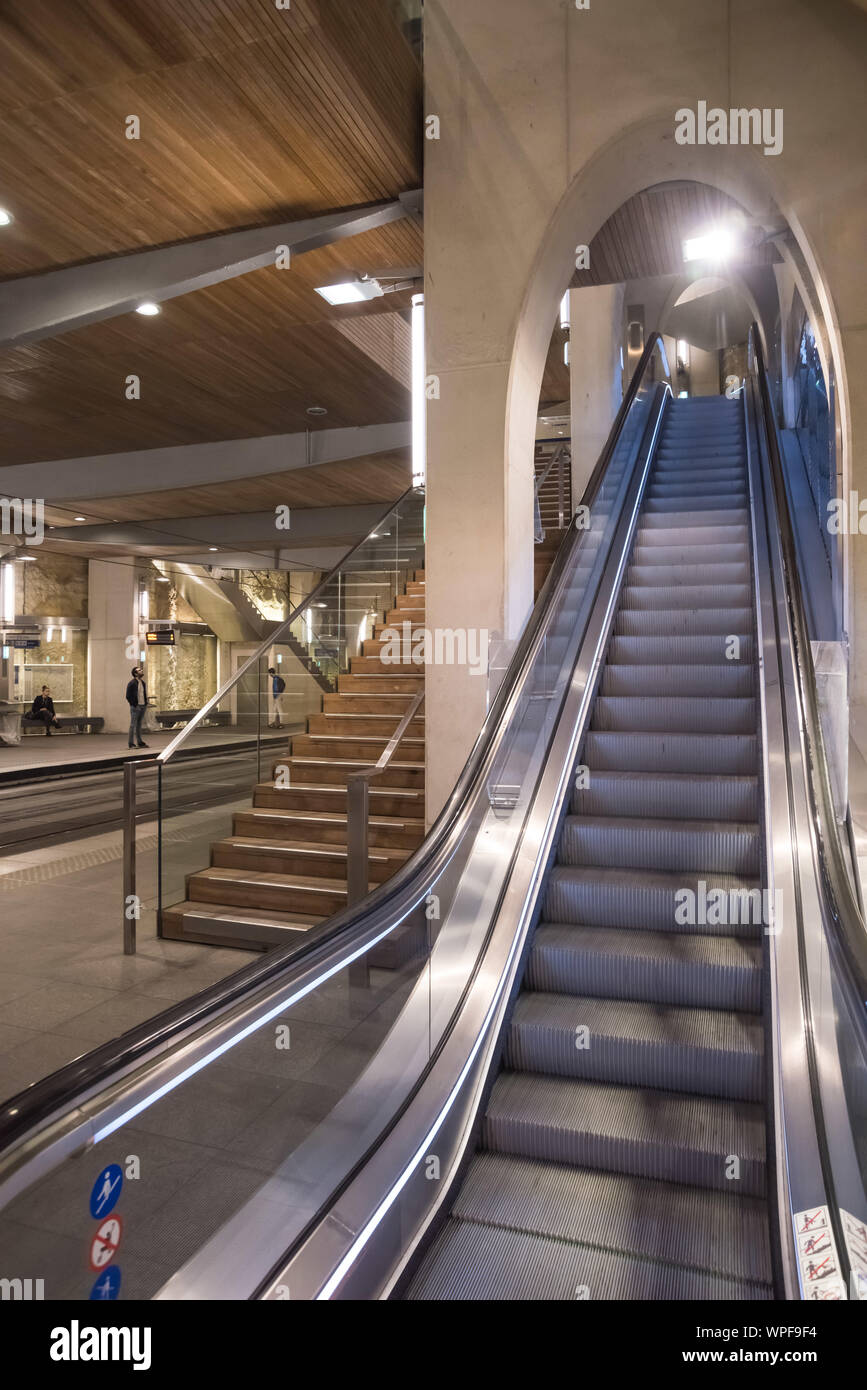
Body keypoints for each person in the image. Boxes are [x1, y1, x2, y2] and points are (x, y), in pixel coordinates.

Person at [125, 665, 149, 749]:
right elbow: (128, 696)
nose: (141, 671)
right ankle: (131, 743)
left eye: (141, 670)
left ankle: (140, 742)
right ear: (135, 674)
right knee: (133, 725)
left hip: (143, 706)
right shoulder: (131, 683)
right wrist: (135, 705)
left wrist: (145, 703)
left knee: (139, 725)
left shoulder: (143, 683)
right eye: (139, 670)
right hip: (136, 707)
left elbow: (143, 694)